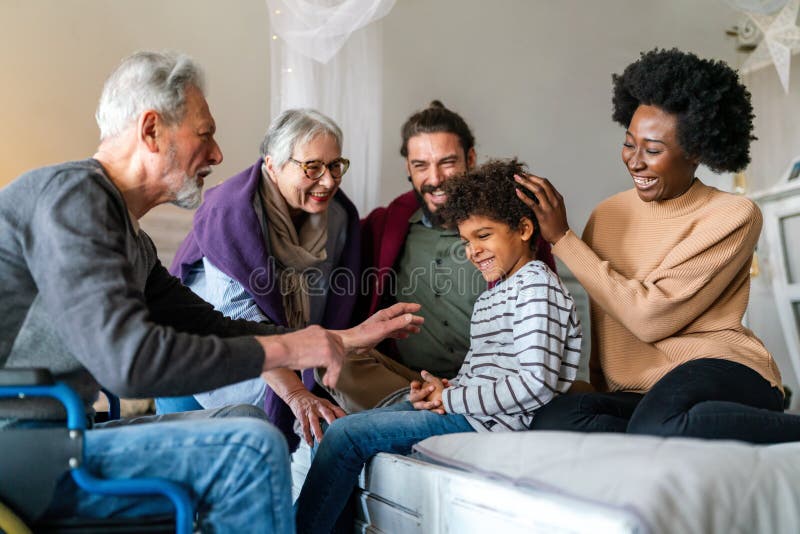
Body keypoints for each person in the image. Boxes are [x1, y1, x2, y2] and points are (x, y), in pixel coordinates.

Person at [0, 50, 422, 532]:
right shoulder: (73, 199)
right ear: (152, 129)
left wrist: (336, 338)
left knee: (248, 419)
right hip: (22, 450)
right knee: (250, 446)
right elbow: (129, 364)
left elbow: (211, 324)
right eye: (205, 133)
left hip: (54, 441)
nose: (219, 154)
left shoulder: (125, 232)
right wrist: (290, 347)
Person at [516, 48, 800, 443]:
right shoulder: (607, 214)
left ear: (696, 150)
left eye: (653, 150)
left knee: (657, 422)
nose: (634, 162)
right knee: (555, 419)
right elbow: (607, 319)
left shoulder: (733, 214)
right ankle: (673, 426)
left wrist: (563, 239)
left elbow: (650, 318)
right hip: (646, 393)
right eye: (629, 144)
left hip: (720, 369)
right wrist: (599, 390)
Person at [294, 158, 582, 533]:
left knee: (345, 435)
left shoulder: (535, 287)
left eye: (484, 235)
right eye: (465, 241)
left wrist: (451, 401)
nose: (473, 251)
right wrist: (444, 389)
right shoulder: (496, 292)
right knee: (335, 425)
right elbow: (485, 372)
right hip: (473, 413)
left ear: (525, 229)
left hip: (491, 427)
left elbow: (535, 384)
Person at [327, 101, 557, 413]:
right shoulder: (384, 227)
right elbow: (323, 237)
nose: (435, 178)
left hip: (491, 381)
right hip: (409, 382)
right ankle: (428, 407)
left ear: (471, 158)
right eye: (421, 165)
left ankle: (437, 411)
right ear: (408, 168)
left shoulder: (509, 228)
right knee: (333, 357)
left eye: (447, 162)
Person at [160, 109, 359, 450]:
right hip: (200, 360)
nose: (327, 181)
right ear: (272, 165)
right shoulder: (231, 213)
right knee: (193, 482)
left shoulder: (338, 216)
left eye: (335, 165)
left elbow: (329, 304)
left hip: (281, 365)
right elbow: (236, 320)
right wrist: (295, 392)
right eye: (312, 167)